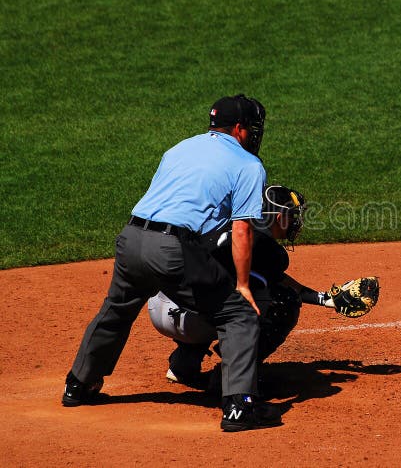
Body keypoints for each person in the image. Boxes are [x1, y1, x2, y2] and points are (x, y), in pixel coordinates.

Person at [62, 94, 277, 432]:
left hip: (131, 238)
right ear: (239, 129)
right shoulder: (248, 165)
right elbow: (242, 229)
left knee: (117, 309)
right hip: (172, 249)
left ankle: (78, 384)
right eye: (252, 129)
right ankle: (239, 407)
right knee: (238, 313)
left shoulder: (180, 148)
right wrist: (243, 285)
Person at [147, 185, 343, 390]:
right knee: (280, 303)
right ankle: (231, 376)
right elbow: (279, 284)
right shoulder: (268, 249)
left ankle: (184, 363)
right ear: (278, 217)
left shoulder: (220, 220)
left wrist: (324, 298)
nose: (295, 221)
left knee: (217, 286)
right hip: (192, 322)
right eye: (292, 215)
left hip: (160, 306)